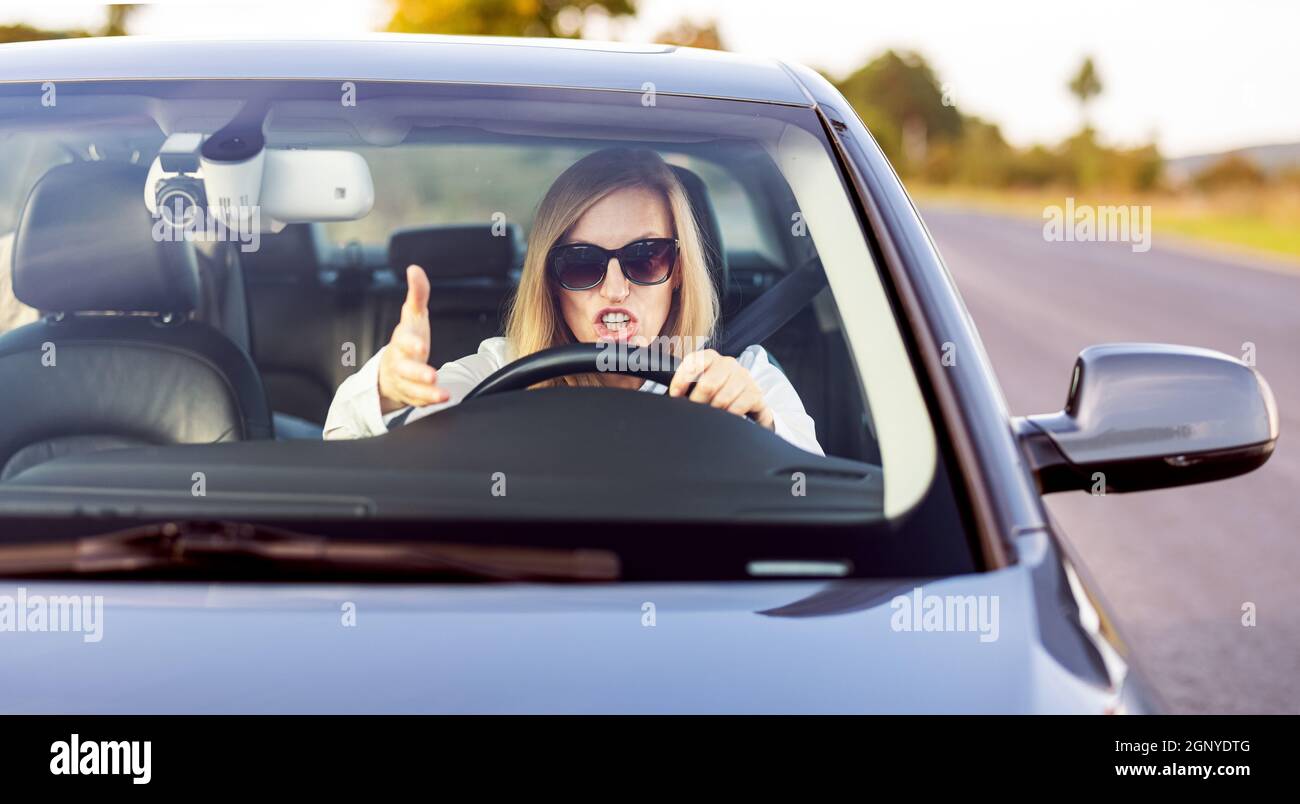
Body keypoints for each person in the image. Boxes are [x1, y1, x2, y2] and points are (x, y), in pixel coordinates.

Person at [323, 147, 822, 455]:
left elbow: (815, 501)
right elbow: (343, 439)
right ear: (551, 283)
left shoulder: (744, 375)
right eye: (582, 263)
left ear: (678, 273)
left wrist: (759, 427)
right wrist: (388, 389)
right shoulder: (501, 372)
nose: (614, 287)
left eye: (645, 258)